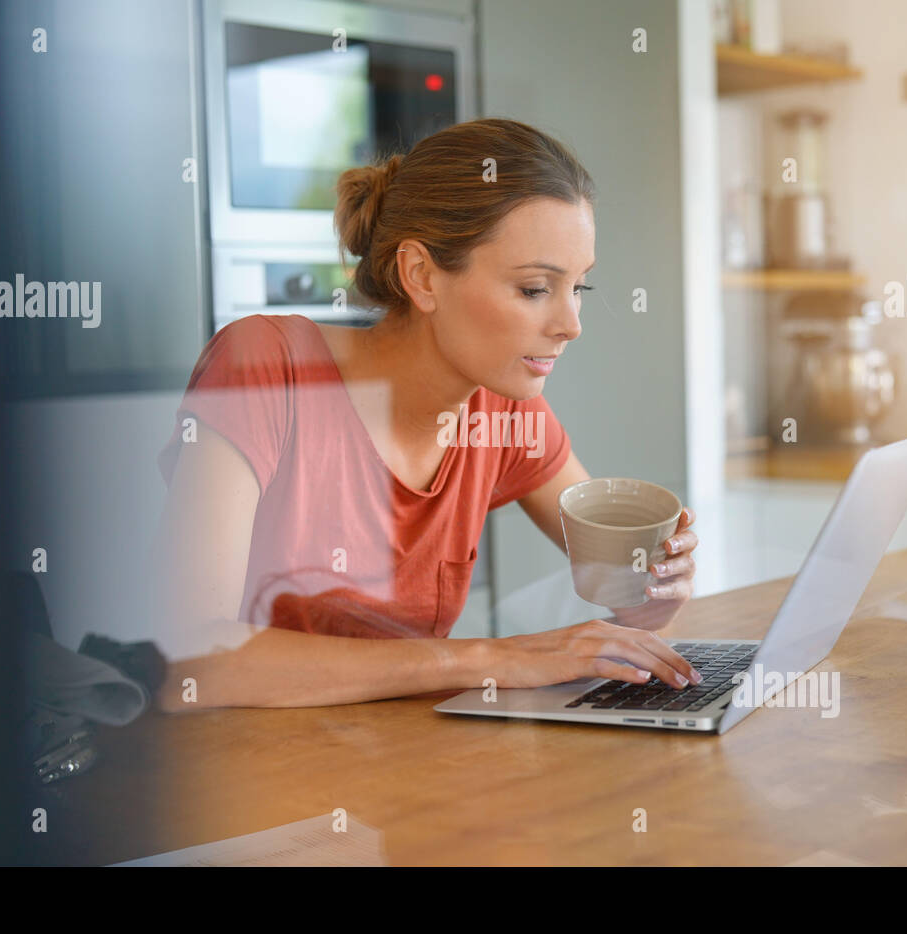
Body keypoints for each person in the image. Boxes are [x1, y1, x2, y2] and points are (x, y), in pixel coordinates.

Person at [151, 118, 701, 710]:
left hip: (400, 769)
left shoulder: (505, 411)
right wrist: (496, 657)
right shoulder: (266, 365)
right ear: (421, 276)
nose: (571, 324)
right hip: (249, 779)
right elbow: (191, 657)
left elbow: (626, 593)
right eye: (536, 288)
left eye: (579, 288)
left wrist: (657, 593)